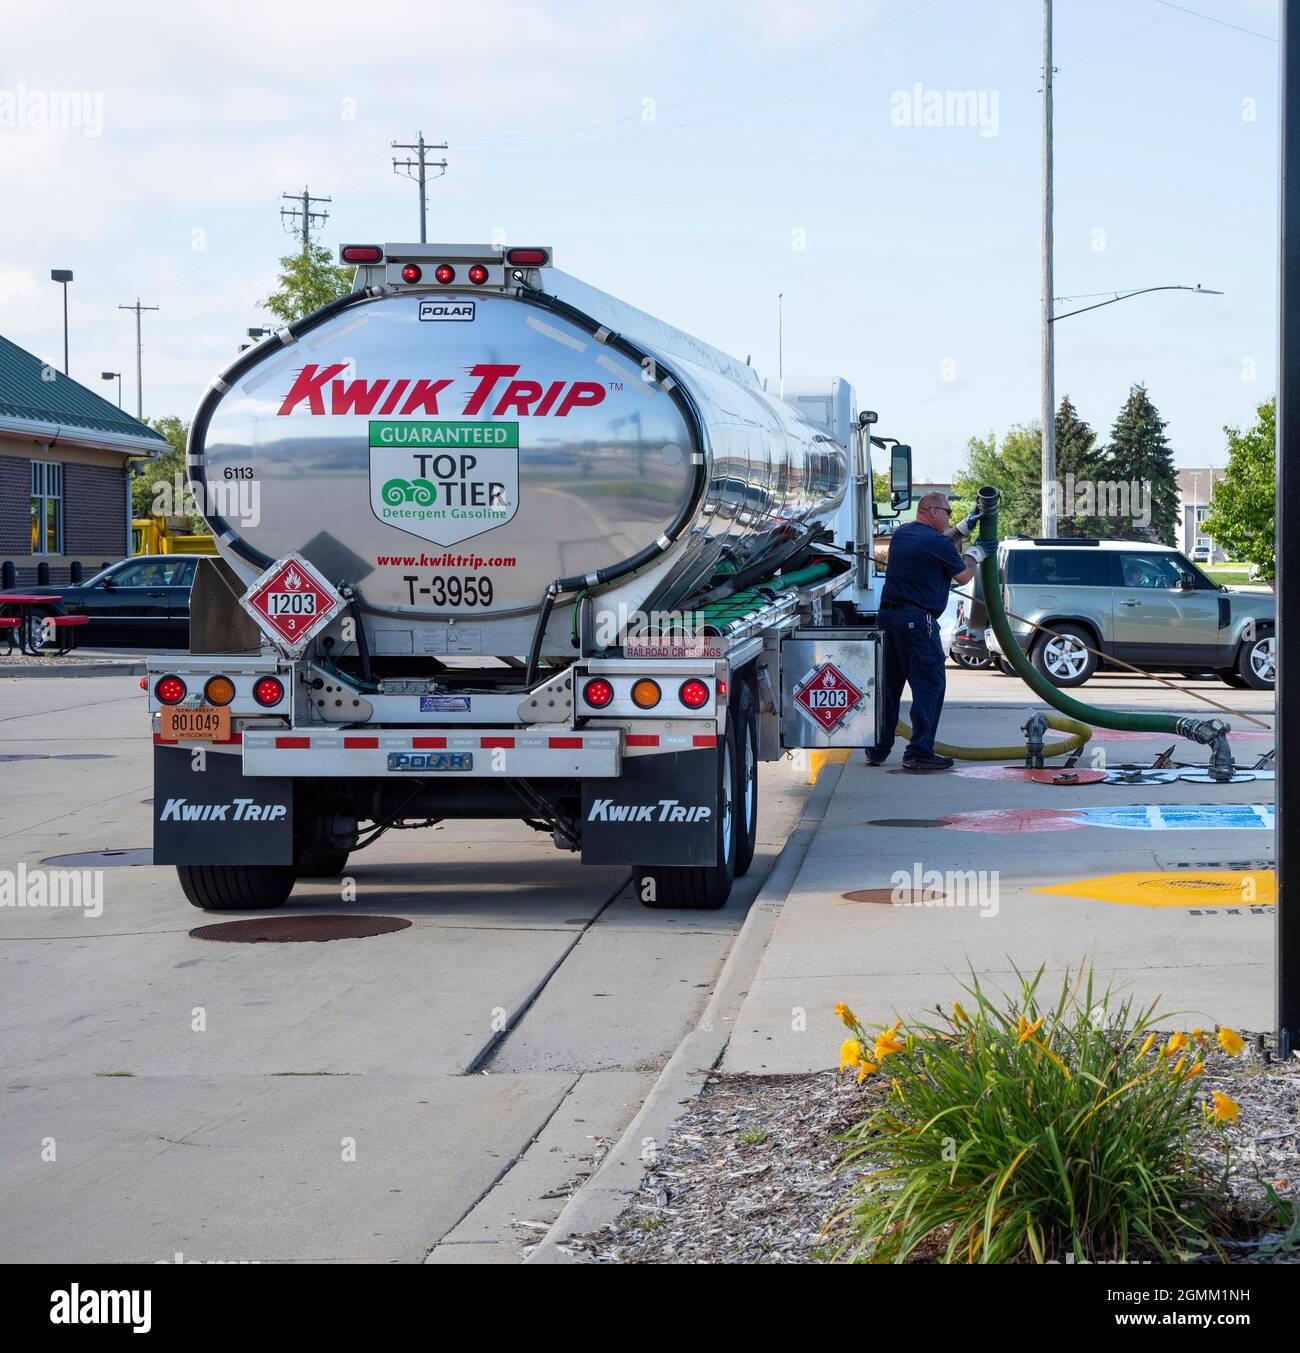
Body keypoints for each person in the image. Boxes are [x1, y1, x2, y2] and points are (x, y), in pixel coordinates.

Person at [866, 492, 988, 771]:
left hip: (888, 619)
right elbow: (964, 576)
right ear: (933, 511)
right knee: (929, 685)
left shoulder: (903, 534)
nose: (948, 515)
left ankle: (878, 748)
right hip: (917, 622)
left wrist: (962, 528)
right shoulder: (935, 542)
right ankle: (919, 751)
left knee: (889, 687)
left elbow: (940, 541)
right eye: (947, 511)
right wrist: (974, 554)